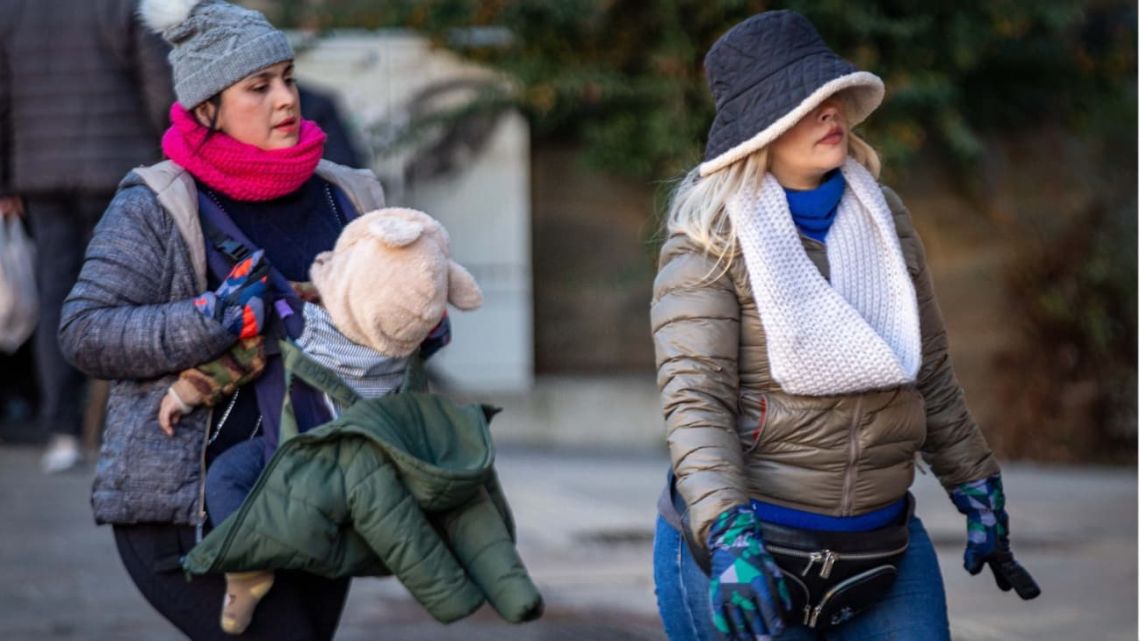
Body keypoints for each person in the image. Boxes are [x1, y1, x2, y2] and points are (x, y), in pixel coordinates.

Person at [650, 11, 1040, 641]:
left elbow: (929, 372)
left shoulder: (884, 218)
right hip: (750, 551)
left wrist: (977, 485)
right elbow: (696, 401)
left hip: (880, 547)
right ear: (762, 128)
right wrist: (729, 536)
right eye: (807, 103)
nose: (830, 112)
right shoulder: (708, 239)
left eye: (832, 96)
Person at [56, 0, 413, 638]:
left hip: (320, 492)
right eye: (259, 86)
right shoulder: (157, 204)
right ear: (206, 109)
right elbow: (86, 331)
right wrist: (214, 316)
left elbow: (388, 329)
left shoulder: (346, 194)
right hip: (188, 512)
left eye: (288, 78)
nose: (286, 99)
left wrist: (413, 318)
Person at [157, 207, 483, 634]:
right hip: (364, 464)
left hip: (300, 457)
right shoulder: (408, 341)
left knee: (226, 478)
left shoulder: (306, 324)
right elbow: (432, 332)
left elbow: (241, 358)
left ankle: (246, 570)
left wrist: (184, 392)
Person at [0, 0, 174, 472]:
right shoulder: (124, 4)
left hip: (41, 173)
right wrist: (170, 151)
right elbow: (159, 83)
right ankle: (128, 420)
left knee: (56, 296)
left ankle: (62, 432)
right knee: (129, 293)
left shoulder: (13, 10)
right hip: (122, 171)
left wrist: (5, 179)